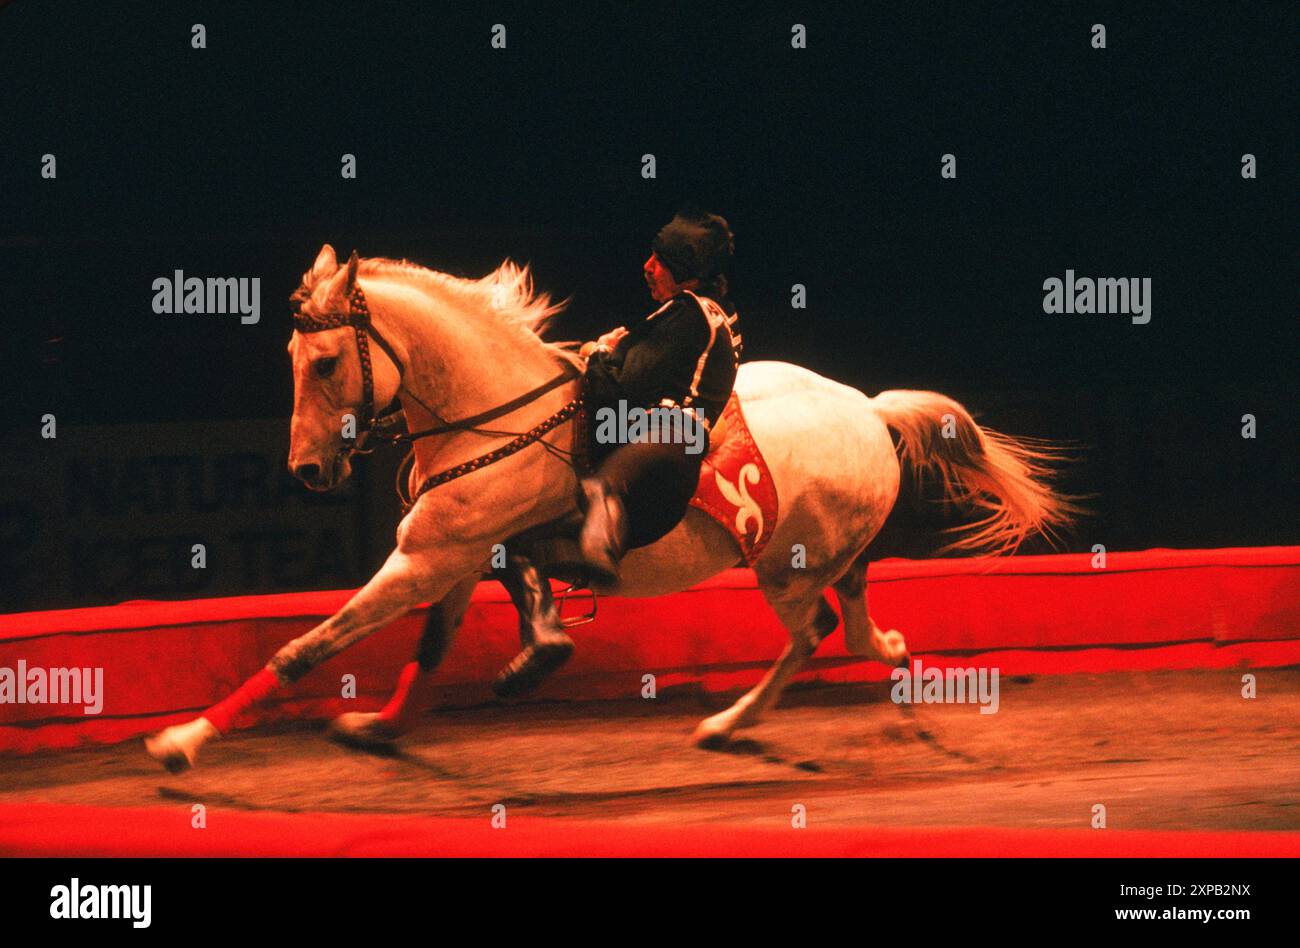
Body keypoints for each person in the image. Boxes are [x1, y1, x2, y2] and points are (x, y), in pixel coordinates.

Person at [577, 208, 742, 583]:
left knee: (600, 486)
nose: (647, 266)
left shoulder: (687, 312)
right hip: (673, 442)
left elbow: (616, 393)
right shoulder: (721, 314)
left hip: (666, 440)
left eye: (661, 261)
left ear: (688, 273)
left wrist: (600, 352)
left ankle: (599, 562)